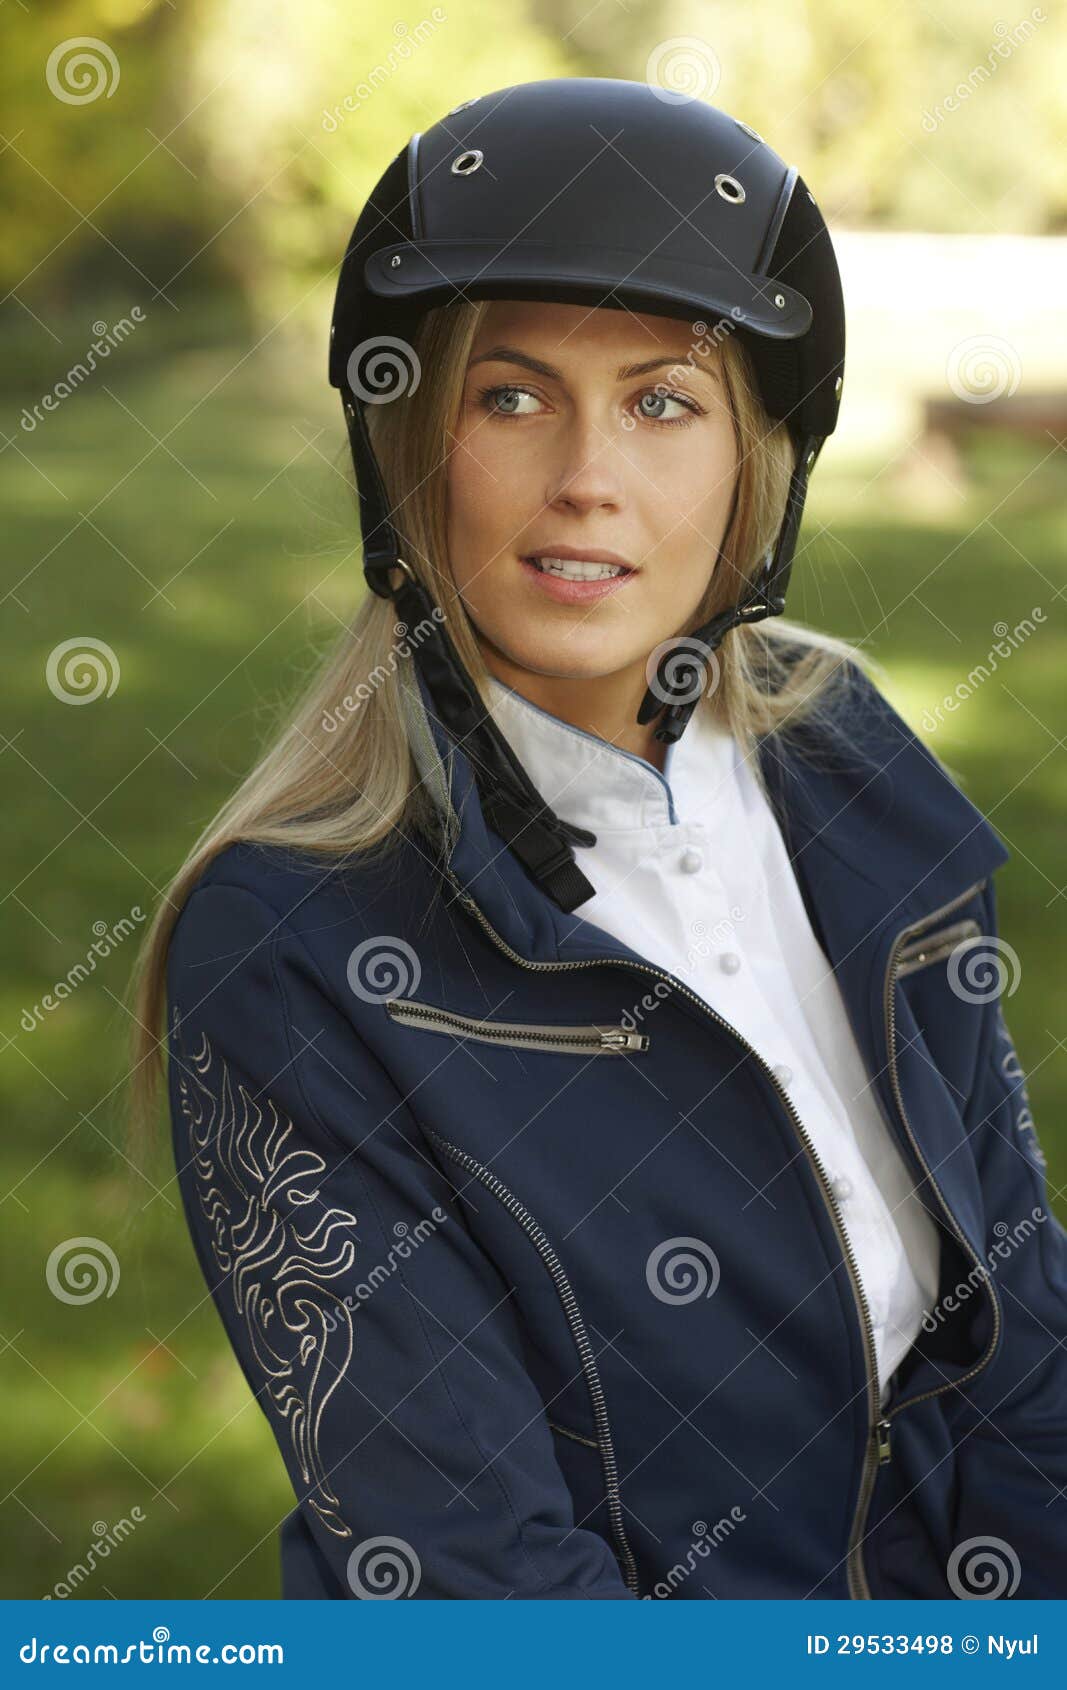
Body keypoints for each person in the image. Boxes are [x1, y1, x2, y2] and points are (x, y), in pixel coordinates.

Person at [129, 76, 1067, 1601]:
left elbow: (1021, 1327)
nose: (589, 476)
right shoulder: (294, 939)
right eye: (510, 396)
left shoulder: (851, 750)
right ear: (407, 449)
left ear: (756, 459)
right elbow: (475, 1579)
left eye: (662, 401)